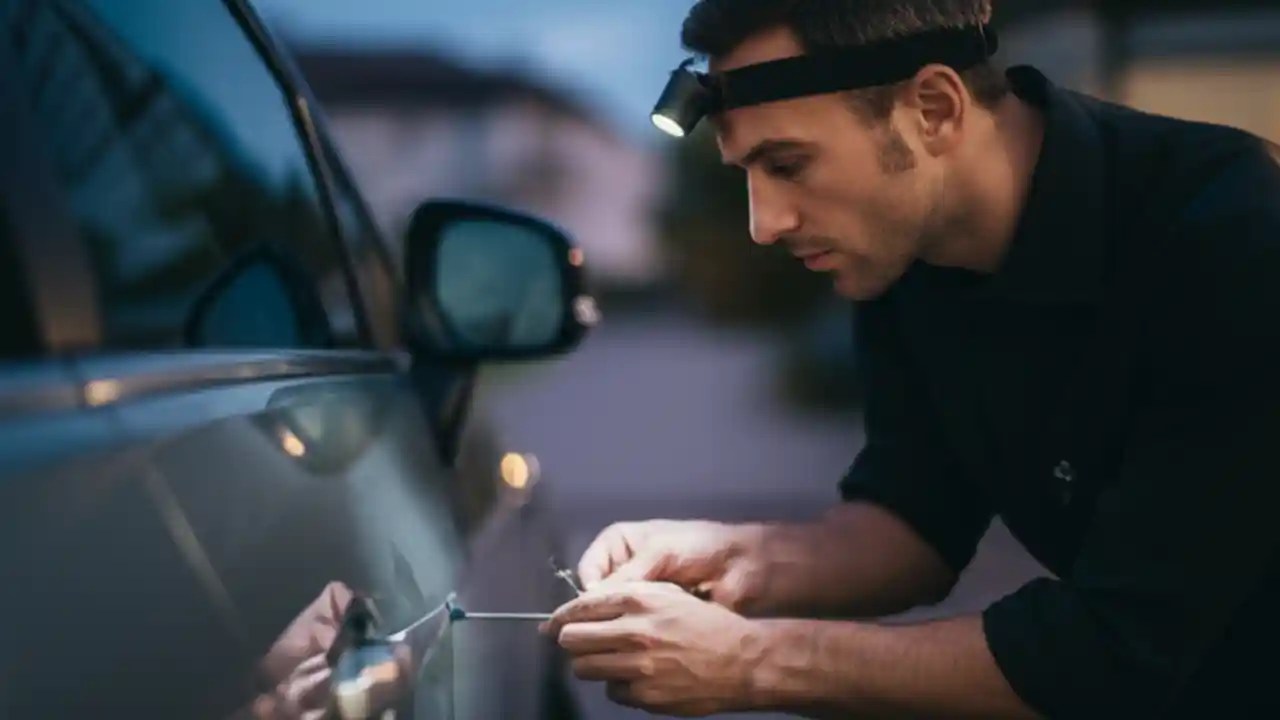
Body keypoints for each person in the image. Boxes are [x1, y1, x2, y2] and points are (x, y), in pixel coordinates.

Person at [540, 1, 1280, 718]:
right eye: (746, 176)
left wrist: (752, 662)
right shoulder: (904, 251)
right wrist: (729, 558)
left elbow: (1115, 650)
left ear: (933, 109)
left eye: (789, 163)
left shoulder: (1234, 235)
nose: (765, 225)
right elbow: (914, 523)